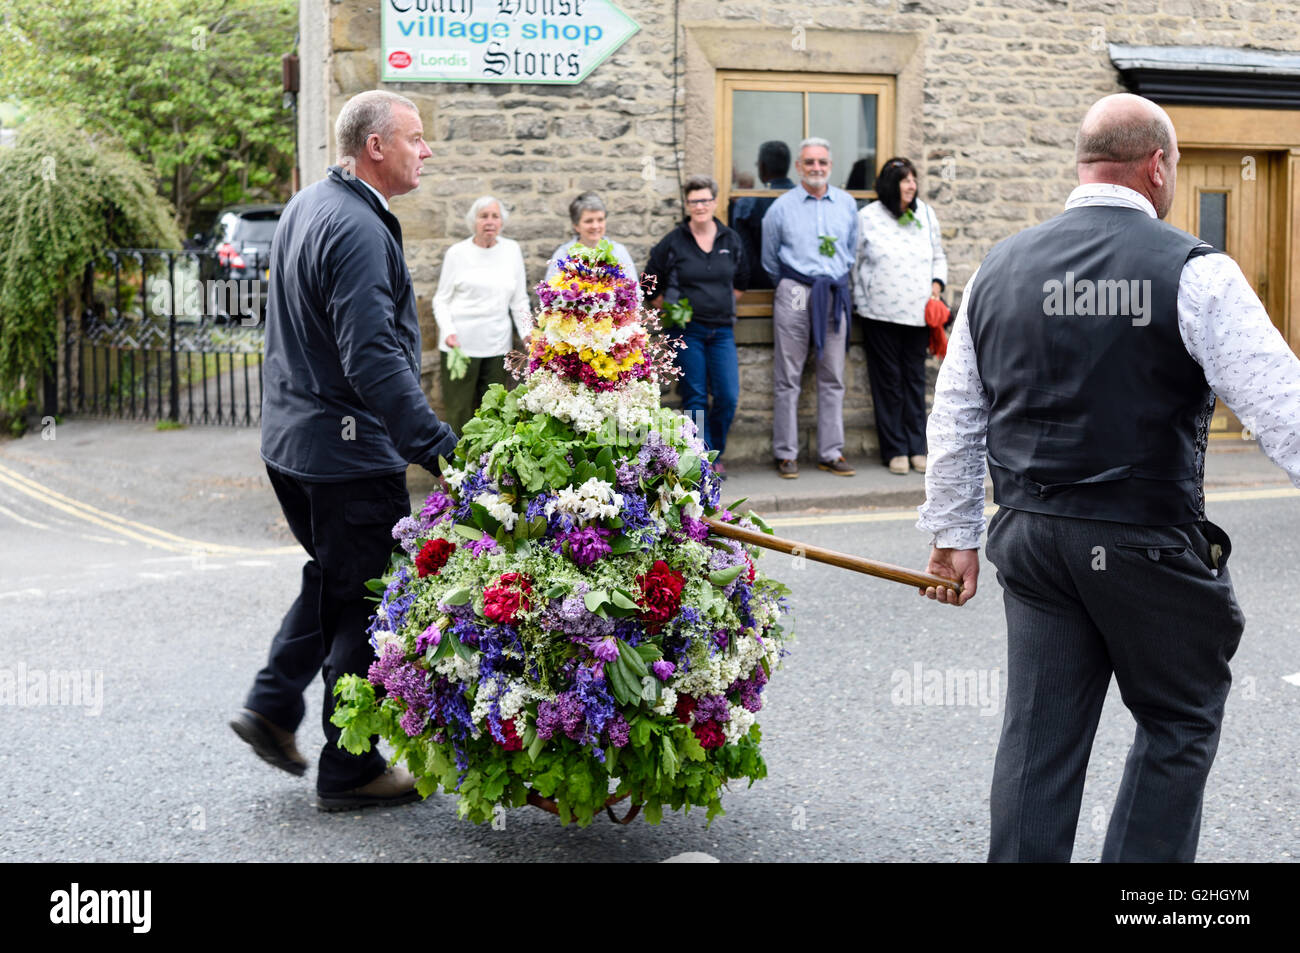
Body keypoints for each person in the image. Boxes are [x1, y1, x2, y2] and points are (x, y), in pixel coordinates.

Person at [917, 93, 1300, 862]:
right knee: (1179, 718)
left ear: (1085, 162)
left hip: (1028, 538)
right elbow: (1283, 408)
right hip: (1142, 543)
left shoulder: (998, 267)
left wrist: (953, 534)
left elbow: (957, 411)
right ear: (1157, 166)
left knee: (1037, 740)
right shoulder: (1195, 271)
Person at [230, 90, 459, 812]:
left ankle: (270, 703)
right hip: (346, 454)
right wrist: (435, 446)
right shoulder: (358, 228)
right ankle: (351, 768)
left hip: (294, 445)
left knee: (335, 575)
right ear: (376, 147)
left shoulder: (310, 203)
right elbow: (373, 359)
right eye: (417, 138)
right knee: (366, 600)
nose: (427, 151)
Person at [761, 137, 859, 479]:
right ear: (798, 167)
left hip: (832, 295)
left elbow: (851, 249)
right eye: (809, 162)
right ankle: (786, 453)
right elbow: (770, 259)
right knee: (788, 375)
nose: (816, 167)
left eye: (822, 162)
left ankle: (831, 452)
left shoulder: (846, 204)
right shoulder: (781, 208)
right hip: (796, 292)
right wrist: (794, 283)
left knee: (833, 374)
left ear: (830, 166)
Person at [644, 175, 749, 474]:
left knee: (728, 396)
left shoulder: (730, 239)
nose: (700, 206)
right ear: (687, 205)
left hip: (722, 331)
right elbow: (648, 282)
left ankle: (716, 450)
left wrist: (720, 303)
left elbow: (741, 281)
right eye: (694, 201)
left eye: (705, 200)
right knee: (696, 396)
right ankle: (705, 460)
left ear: (715, 202)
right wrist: (672, 309)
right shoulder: (673, 242)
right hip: (686, 332)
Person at [852, 157, 948, 476]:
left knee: (914, 381)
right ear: (890, 185)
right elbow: (855, 263)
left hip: (918, 313)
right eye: (905, 180)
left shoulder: (925, 213)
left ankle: (917, 447)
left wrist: (937, 284)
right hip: (879, 314)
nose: (911, 185)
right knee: (888, 383)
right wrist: (861, 301)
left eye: (913, 179)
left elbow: (938, 254)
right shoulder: (867, 217)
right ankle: (894, 450)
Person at [433, 196, 532, 433]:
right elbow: (441, 299)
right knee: (460, 412)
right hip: (460, 347)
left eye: (494, 216)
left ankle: (487, 468)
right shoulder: (457, 253)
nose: (489, 221)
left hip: (497, 345)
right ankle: (456, 466)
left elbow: (519, 300)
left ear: (502, 222)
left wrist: (528, 333)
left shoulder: (511, 250)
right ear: (473, 221)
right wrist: (448, 331)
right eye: (483, 216)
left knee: (494, 411)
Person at [731, 140, 796, 291]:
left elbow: (744, 255)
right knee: (798, 311)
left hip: (758, 287)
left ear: (761, 166)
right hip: (798, 285)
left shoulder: (748, 204)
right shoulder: (803, 200)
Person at [545, 191, 637, 295]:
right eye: (589, 221)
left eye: (600, 220)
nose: (595, 226)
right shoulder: (563, 254)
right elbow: (550, 293)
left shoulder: (619, 251)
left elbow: (635, 293)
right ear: (576, 225)